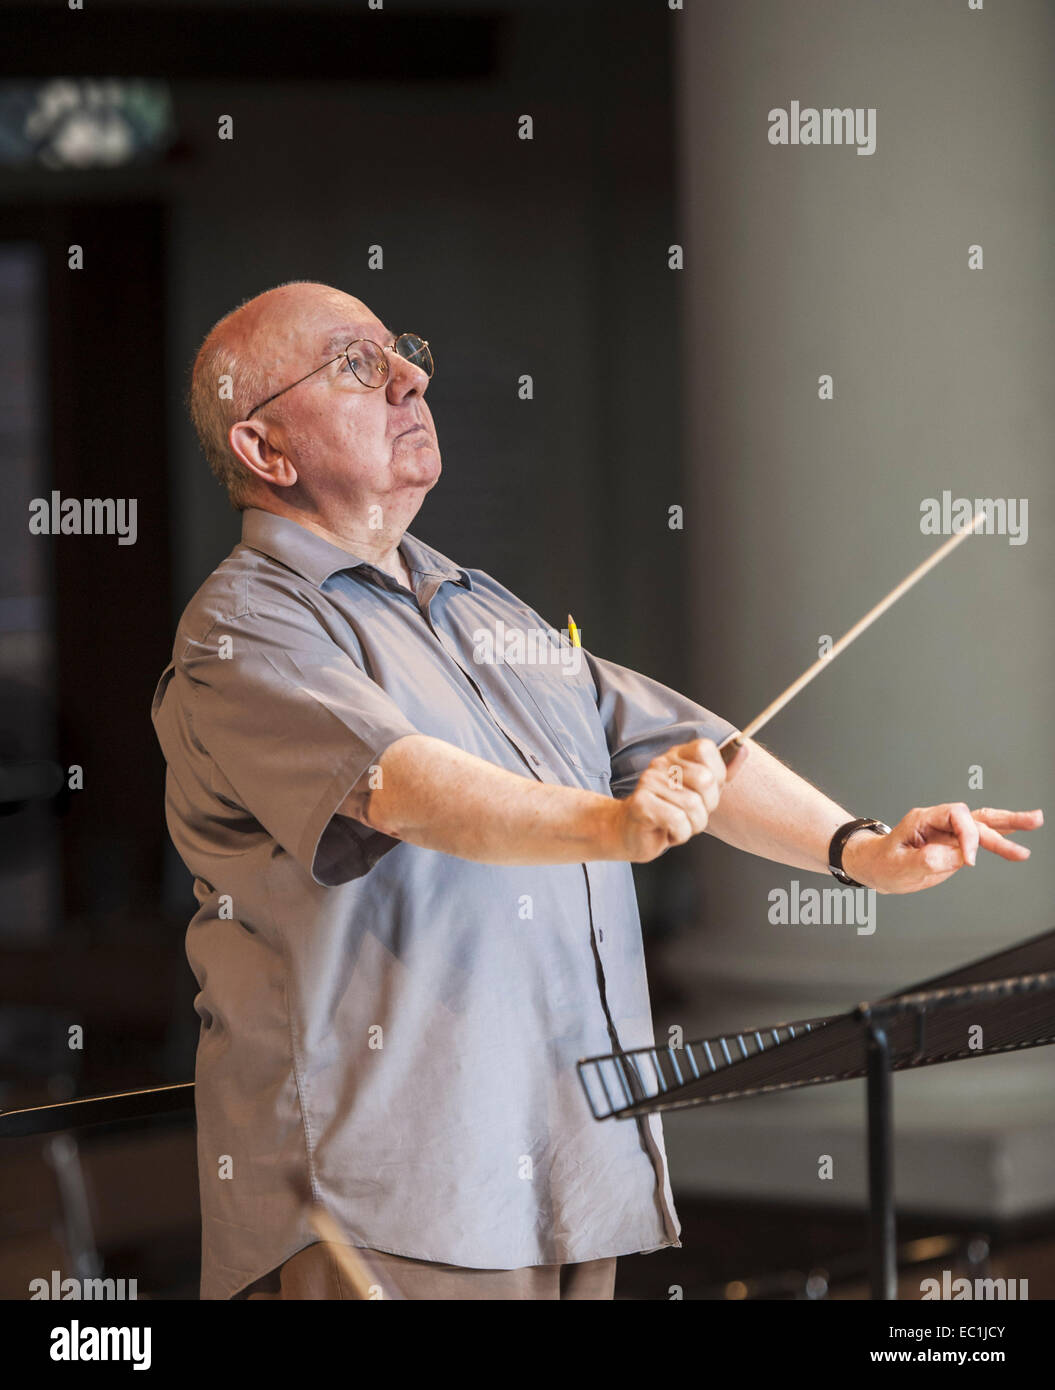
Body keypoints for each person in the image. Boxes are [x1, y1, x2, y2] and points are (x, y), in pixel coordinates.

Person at [151, 281, 1042, 1300]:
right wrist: (612, 825)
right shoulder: (243, 627)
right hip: (389, 1198)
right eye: (358, 363)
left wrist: (860, 848)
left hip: (567, 1175)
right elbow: (401, 786)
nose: (411, 375)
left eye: (401, 349)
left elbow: (685, 744)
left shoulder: (471, 598)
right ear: (267, 451)